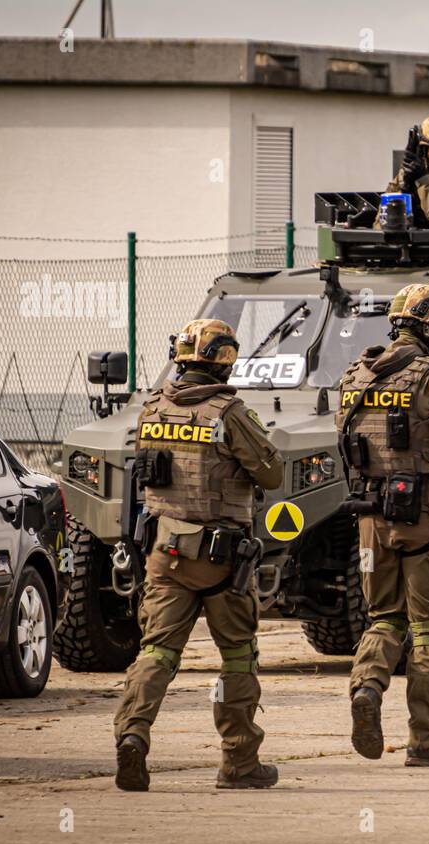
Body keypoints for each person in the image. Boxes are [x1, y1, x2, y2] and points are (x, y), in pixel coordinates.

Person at [113, 318, 284, 791]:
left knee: (157, 651)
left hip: (165, 553)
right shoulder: (229, 412)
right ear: (225, 360)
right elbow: (271, 474)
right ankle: (239, 763)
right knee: (236, 657)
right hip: (222, 560)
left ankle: (132, 735)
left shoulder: (152, 407)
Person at [338, 284, 429, 767]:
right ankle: (423, 741)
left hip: (371, 519)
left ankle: (368, 687)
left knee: (383, 617)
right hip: (425, 521)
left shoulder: (355, 375)